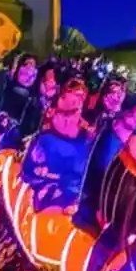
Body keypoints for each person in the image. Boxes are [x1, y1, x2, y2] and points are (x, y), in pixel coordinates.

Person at [77, 94, 136, 231]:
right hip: (80, 200)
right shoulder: (102, 127)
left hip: (101, 214)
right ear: (125, 111)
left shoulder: (132, 150)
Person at [23, 79, 92, 212]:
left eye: (80, 96)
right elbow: (29, 166)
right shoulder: (46, 130)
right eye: (72, 94)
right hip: (35, 192)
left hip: (65, 201)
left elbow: (79, 177)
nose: (76, 100)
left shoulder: (85, 137)